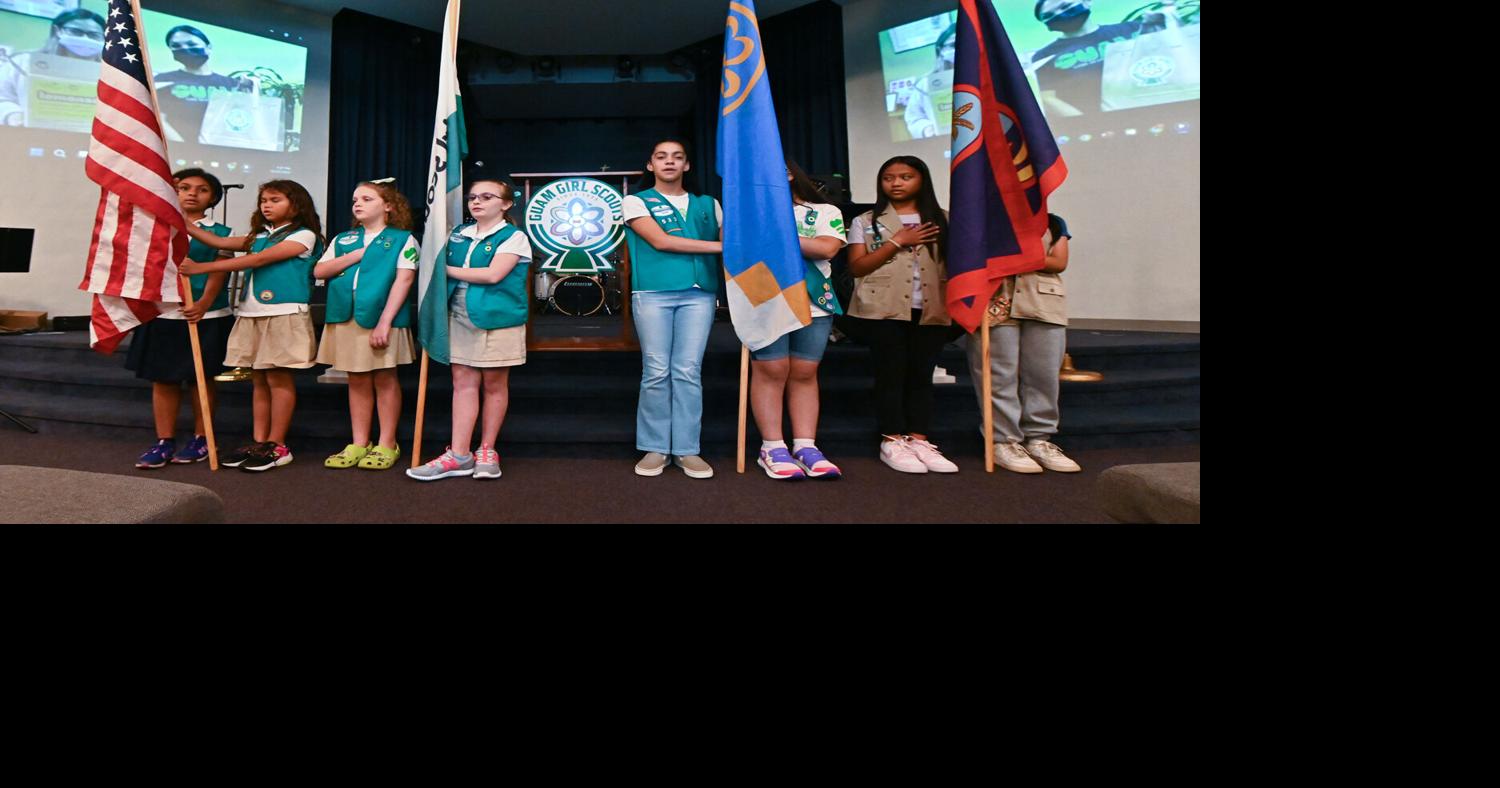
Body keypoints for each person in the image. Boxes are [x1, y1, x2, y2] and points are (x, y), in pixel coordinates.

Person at [178, 179, 325, 473]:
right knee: (259, 379)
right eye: (264, 201)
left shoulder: (305, 236)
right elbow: (219, 242)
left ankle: (278, 444)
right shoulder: (260, 235)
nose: (266, 205)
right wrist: (181, 221)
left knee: (278, 378)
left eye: (275, 200)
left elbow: (258, 260)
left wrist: (201, 268)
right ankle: (260, 441)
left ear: (296, 204)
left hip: (283, 313)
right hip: (251, 313)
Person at [407, 178, 533, 482]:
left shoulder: (514, 237)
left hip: (496, 318)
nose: (476, 202)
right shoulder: (457, 234)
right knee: (462, 383)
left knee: (494, 384)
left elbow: (493, 275)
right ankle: (460, 454)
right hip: (458, 315)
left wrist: (439, 268)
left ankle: (487, 450)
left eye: (486, 197)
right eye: (472, 197)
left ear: (504, 204)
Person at [845, 156, 960, 474]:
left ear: (921, 180)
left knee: (921, 375)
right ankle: (892, 439)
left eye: (905, 176)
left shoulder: (944, 220)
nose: (896, 183)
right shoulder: (866, 221)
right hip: (883, 310)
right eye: (888, 178)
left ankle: (920, 439)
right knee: (890, 375)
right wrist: (898, 241)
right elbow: (857, 266)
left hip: (931, 309)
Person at [622, 139, 724, 479]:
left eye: (677, 157)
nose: (669, 162)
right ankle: (655, 447)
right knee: (655, 370)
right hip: (653, 292)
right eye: (661, 157)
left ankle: (686, 449)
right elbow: (661, 241)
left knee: (688, 370)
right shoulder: (636, 201)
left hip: (700, 293)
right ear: (650, 165)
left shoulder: (709, 203)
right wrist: (724, 246)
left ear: (687, 165)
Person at [125, 168, 234, 469]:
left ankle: (201, 438)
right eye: (184, 187)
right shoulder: (154, 227)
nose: (191, 194)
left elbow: (220, 269)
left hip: (206, 313)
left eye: (201, 190)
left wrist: (203, 302)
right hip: (163, 312)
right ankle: (164, 440)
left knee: (202, 378)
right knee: (164, 378)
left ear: (212, 198)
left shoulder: (221, 233)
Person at [749, 161, 846, 480]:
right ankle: (772, 446)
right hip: (767, 302)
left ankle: (805, 445)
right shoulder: (751, 213)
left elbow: (826, 248)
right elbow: (740, 248)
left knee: (805, 372)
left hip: (814, 303)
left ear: (790, 173)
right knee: (771, 370)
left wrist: (774, 237)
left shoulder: (824, 211)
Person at [315, 180, 419, 472]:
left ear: (387, 206)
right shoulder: (343, 240)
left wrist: (384, 322)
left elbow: (404, 280)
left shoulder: (402, 239)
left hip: (382, 318)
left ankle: (387, 443)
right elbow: (320, 270)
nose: (357, 204)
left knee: (385, 378)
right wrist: (358, 254)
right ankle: (359, 442)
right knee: (356, 379)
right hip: (346, 316)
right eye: (355, 199)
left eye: (367, 199)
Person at [967, 213, 1081, 473]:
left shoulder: (1052, 221)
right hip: (996, 301)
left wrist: (1006, 259)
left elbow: (1058, 261)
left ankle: (1040, 439)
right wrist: (1028, 259)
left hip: (1043, 302)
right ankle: (1003, 441)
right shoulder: (984, 220)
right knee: (998, 375)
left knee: (1043, 375)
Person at [1029, 0, 1169, 116]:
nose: (1060, 14)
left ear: (1087, 2)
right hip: (1099, 126)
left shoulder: (1132, 30)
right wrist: (1090, 122)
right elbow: (1048, 97)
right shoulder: (1044, 56)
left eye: (1065, 6)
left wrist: (1167, 20)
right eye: (1049, 15)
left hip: (1155, 111)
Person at [0, 9, 106, 126]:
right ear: (57, 31)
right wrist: (12, 114)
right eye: (75, 31)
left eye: (94, 35)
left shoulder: (110, 72)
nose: (85, 38)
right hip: (29, 135)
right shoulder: (22, 62)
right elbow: (3, 97)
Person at [152, 25, 251, 144]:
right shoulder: (162, 80)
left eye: (192, 44)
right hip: (180, 152)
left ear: (209, 48)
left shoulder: (231, 84)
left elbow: (242, 119)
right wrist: (187, 147)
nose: (185, 49)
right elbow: (159, 119)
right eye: (176, 46)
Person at [901, 23, 955, 140]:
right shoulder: (924, 84)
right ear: (940, 50)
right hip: (942, 144)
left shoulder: (986, 74)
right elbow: (913, 117)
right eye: (953, 45)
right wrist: (927, 129)